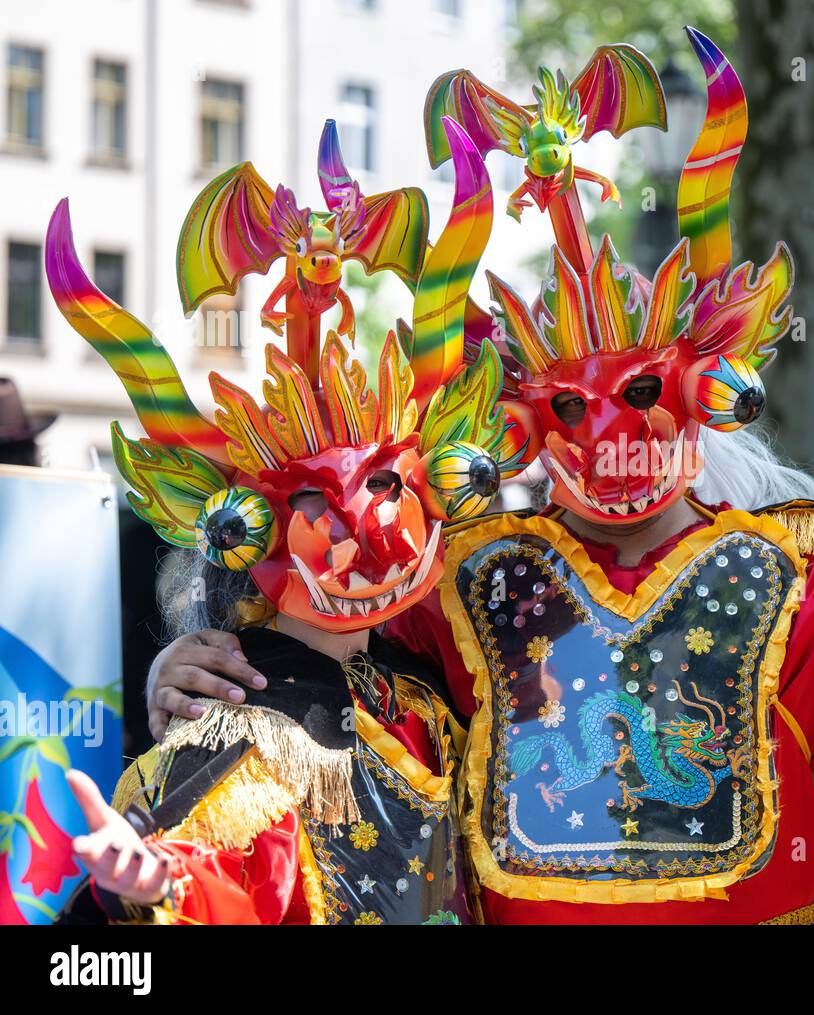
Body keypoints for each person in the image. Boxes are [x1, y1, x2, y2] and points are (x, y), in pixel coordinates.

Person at [145, 29, 814, 925]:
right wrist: (206, 656)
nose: (608, 434)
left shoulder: (808, 578)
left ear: (703, 392)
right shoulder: (472, 582)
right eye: (571, 407)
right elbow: (333, 643)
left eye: (640, 396)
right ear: (527, 426)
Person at [52, 120, 509, 924]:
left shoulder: (423, 684)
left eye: (386, 488)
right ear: (247, 531)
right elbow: (213, 864)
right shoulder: (242, 723)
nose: (365, 533)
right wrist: (153, 883)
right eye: (311, 507)